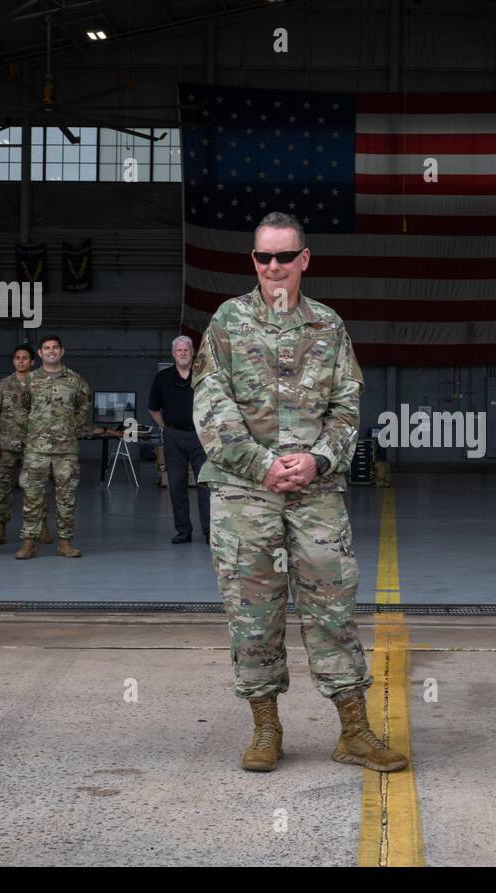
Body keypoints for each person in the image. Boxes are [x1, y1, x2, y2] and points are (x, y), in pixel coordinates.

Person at [192, 211, 407, 775]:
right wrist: (262, 464)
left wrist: (317, 459)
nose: (273, 267)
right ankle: (267, 730)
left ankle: (355, 732)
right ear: (253, 261)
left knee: (332, 607)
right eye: (263, 257)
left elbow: (348, 406)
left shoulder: (329, 327)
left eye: (284, 256)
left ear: (304, 259)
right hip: (245, 493)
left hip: (316, 493)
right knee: (252, 613)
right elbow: (211, 406)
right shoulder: (227, 322)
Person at [15, 334, 118, 559]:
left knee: (67, 497)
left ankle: (64, 542)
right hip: (37, 450)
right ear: (40, 354)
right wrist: (34, 433)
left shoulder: (75, 380)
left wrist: (69, 428)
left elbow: (82, 409)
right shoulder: (29, 381)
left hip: (66, 450)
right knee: (32, 496)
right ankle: (29, 542)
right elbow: (21, 412)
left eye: (55, 348)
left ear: (62, 351)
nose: (51, 351)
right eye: (46, 348)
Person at [149, 335, 211, 544]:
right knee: (176, 484)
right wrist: (167, 427)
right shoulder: (163, 378)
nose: (183, 353)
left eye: (186, 350)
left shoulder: (205, 375)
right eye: (179, 350)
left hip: (201, 435)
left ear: (192, 352)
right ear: (173, 353)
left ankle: (209, 530)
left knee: (206, 484)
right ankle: (183, 531)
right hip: (174, 436)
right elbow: (153, 408)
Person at [0, 344, 37, 546]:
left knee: (35, 489)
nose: (21, 361)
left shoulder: (41, 385)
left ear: (32, 361)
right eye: (17, 358)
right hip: (4, 447)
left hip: (33, 446)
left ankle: (39, 528)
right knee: (0, 489)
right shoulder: (0, 387)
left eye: (25, 358)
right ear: (13, 361)